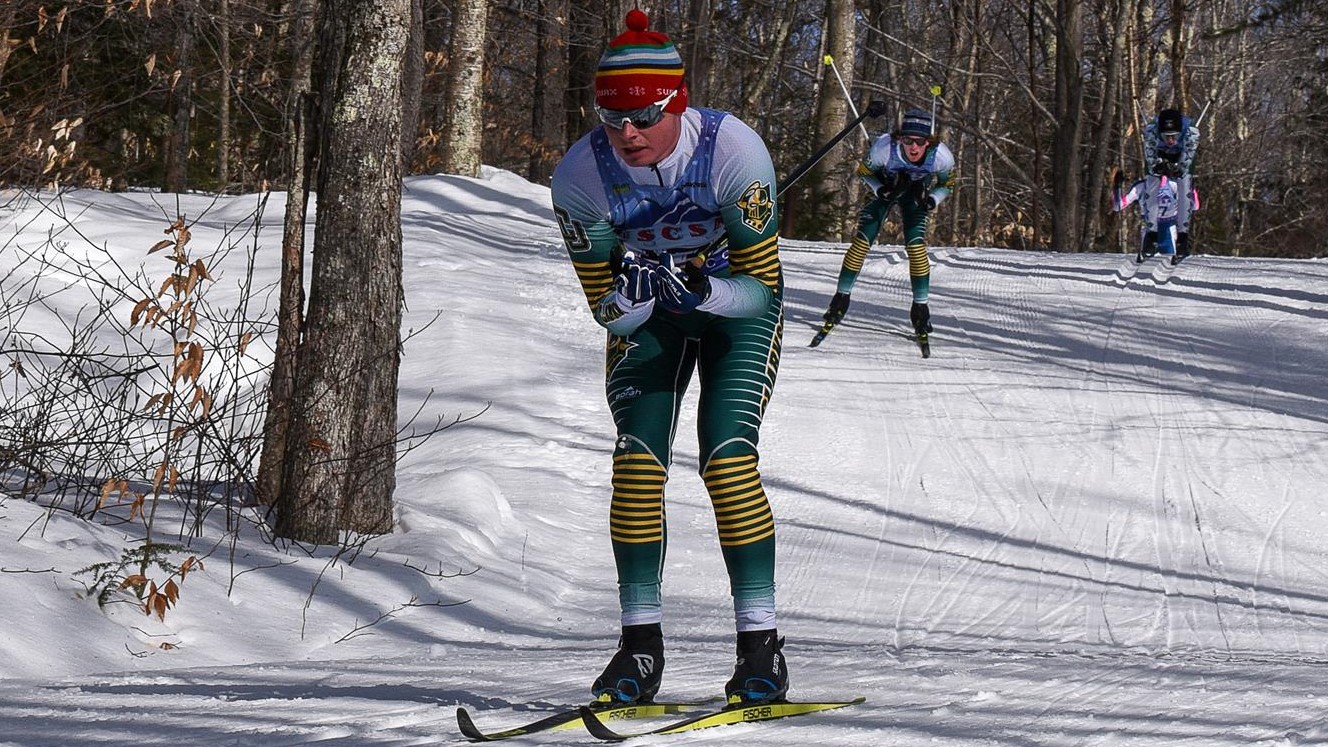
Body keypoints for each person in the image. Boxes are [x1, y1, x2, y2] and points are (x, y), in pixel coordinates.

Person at [549, 10, 789, 707]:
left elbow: (761, 291)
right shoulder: (581, 176)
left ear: (676, 104)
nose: (625, 130)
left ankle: (761, 649)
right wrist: (631, 292)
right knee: (636, 458)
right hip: (652, 319)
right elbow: (604, 308)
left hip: (732, 311)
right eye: (611, 114)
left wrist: (703, 286)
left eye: (644, 114)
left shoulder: (734, 152)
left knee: (727, 455)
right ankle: (638, 647)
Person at [820, 108, 956, 341]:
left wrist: (932, 200)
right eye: (907, 140)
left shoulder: (942, 156)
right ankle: (840, 299)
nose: (913, 147)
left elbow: (947, 183)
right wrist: (880, 188)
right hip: (888, 190)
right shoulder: (884, 148)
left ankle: (921, 309)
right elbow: (864, 172)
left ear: (929, 142)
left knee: (915, 247)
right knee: (862, 242)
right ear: (899, 138)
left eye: (920, 141)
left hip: (916, 196)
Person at [1141, 108, 1200, 259]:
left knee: (1184, 186)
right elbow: (1149, 155)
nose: (1170, 140)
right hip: (1158, 154)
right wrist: (1157, 165)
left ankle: (1182, 237)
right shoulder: (1151, 131)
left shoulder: (1190, 132)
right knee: (1152, 185)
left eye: (1174, 136)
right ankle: (1152, 235)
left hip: (1182, 154)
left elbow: (1189, 155)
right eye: (1166, 136)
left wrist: (1180, 168)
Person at [1112, 169, 1185, 264]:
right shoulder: (1173, 185)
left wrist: (1116, 188)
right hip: (1159, 231)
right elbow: (1194, 205)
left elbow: (1118, 206)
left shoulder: (1142, 186)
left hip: (1160, 230)